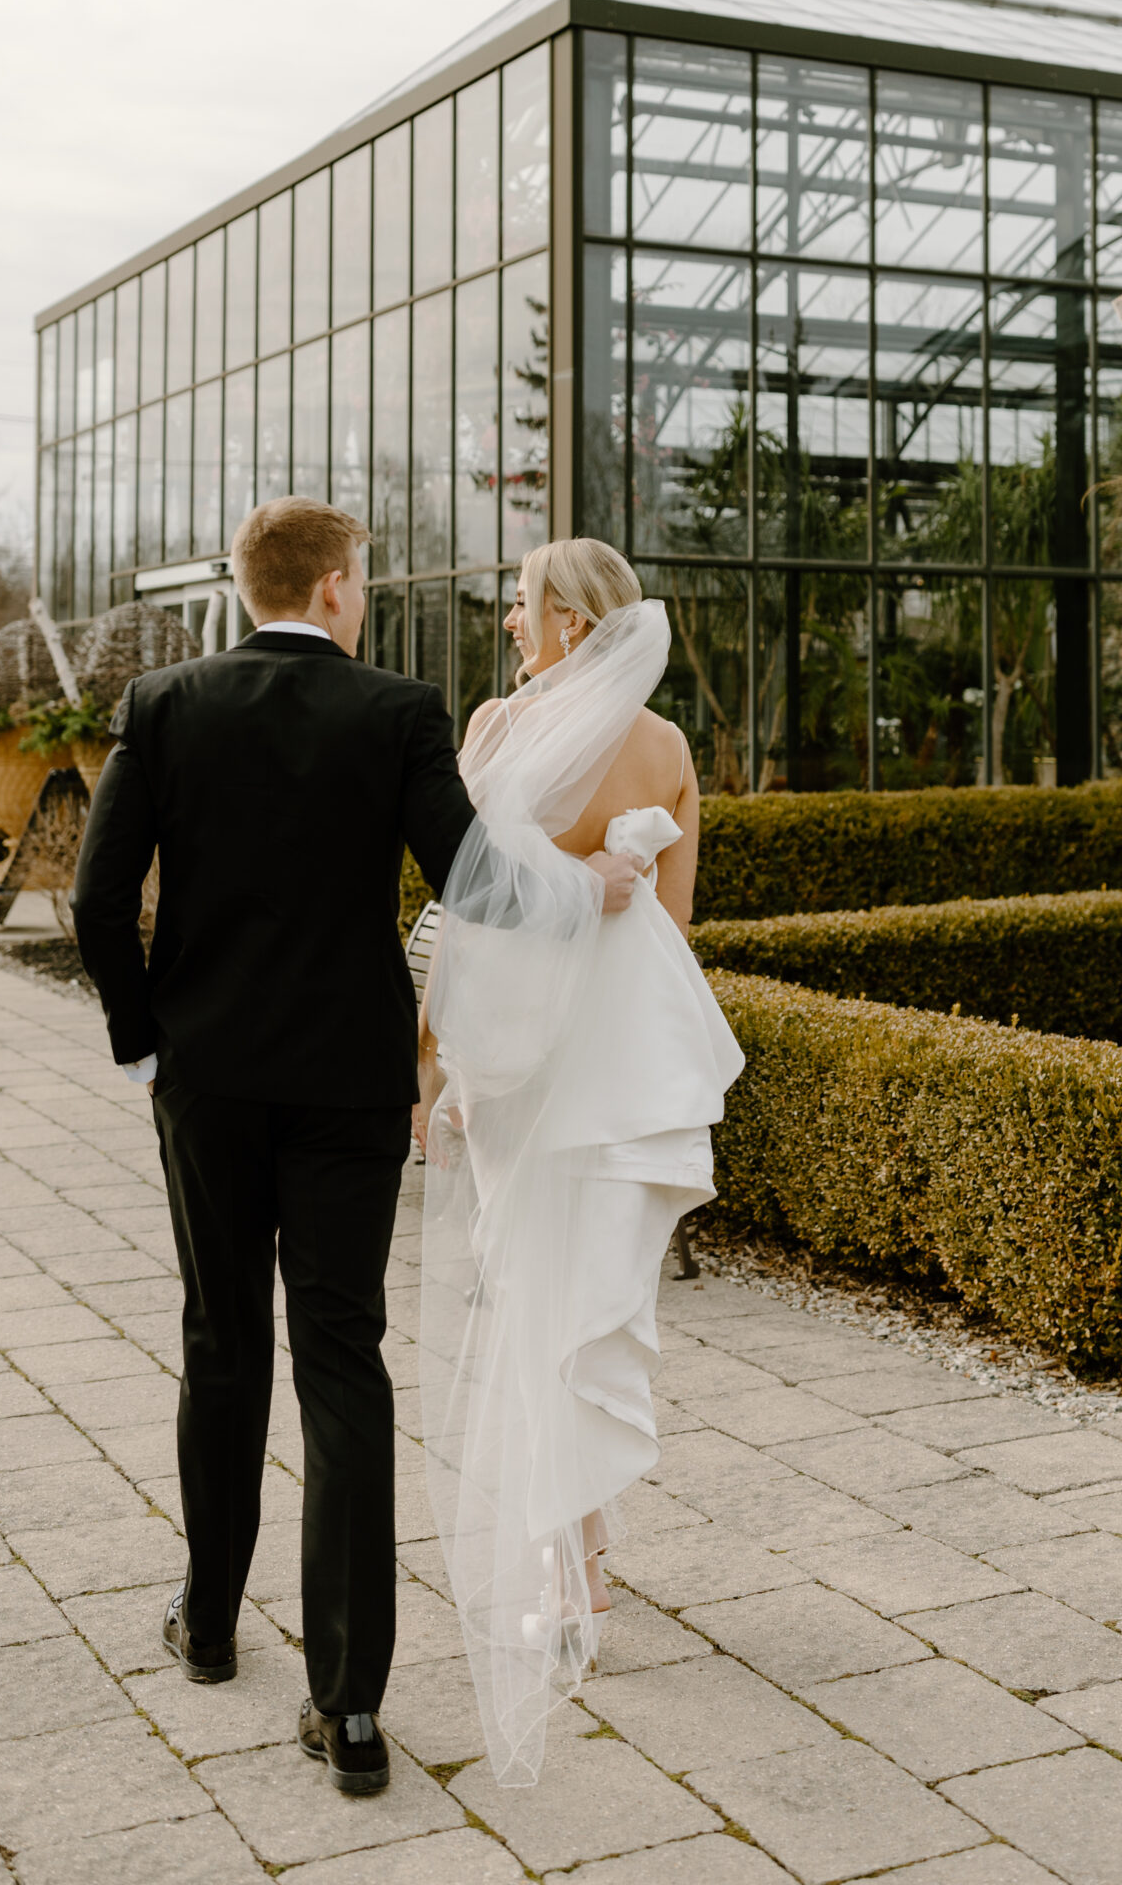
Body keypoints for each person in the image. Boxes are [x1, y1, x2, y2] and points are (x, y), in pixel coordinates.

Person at [71, 499, 640, 1796]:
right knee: (343, 1362)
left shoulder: (161, 706)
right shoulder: (398, 712)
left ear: (244, 582)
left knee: (220, 1341)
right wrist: (591, 891)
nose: (366, 596)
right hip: (344, 1085)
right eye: (363, 578)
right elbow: (479, 884)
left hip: (204, 1082)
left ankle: (209, 1628)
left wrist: (141, 1042)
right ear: (331, 587)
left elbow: (104, 901)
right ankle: (352, 1708)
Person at [416, 539, 744, 1787]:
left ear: (564, 617)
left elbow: (462, 895)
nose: (505, 622)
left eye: (517, 603)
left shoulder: (502, 728)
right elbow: (675, 928)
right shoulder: (665, 750)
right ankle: (582, 1562)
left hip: (527, 1058)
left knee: (536, 1298)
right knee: (588, 1306)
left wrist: (437, 1061)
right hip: (621, 1068)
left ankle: (569, 1567)